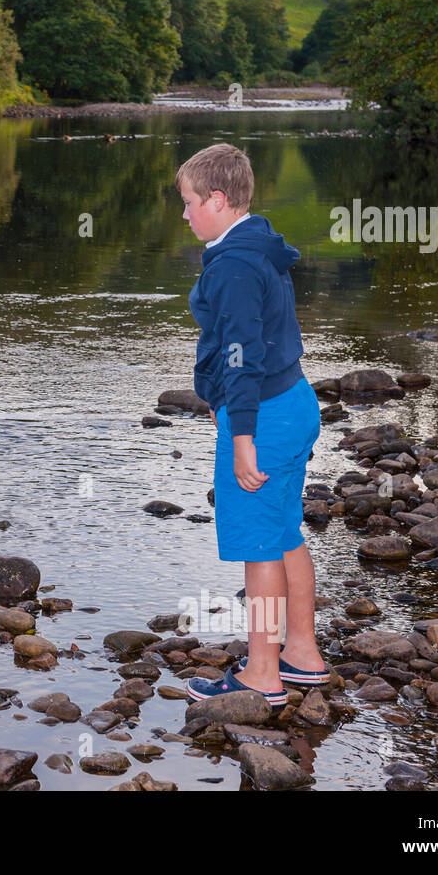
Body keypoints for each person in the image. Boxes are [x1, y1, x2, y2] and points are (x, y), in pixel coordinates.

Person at [173, 143, 329, 706]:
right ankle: (302, 654)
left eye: (189, 202)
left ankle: (263, 673)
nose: (184, 213)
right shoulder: (254, 242)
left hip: (263, 418)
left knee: (260, 545)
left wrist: (241, 438)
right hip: (292, 401)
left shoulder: (235, 264)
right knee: (285, 532)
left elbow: (242, 354)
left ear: (217, 199)